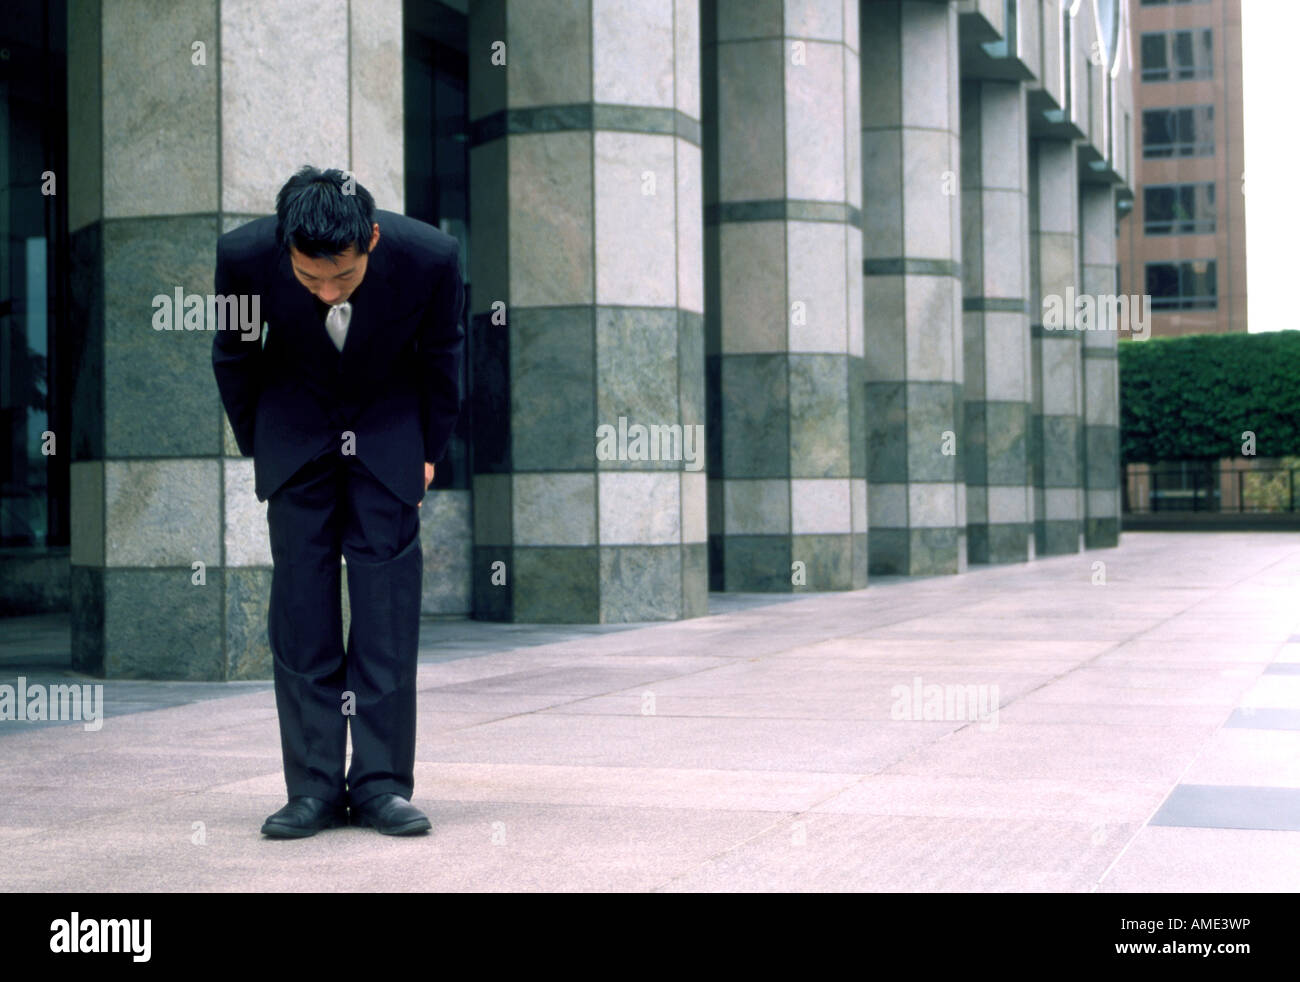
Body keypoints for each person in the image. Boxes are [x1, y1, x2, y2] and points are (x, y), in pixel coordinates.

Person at [212, 165, 465, 837]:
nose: (326, 293)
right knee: (302, 612)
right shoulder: (242, 254)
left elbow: (445, 354)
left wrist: (430, 448)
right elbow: (233, 354)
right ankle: (313, 789)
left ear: (373, 240)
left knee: (386, 613)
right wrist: (259, 443)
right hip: (295, 439)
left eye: (343, 279)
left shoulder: (430, 256)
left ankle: (382, 784)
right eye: (309, 279)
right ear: (283, 251)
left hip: (387, 440)